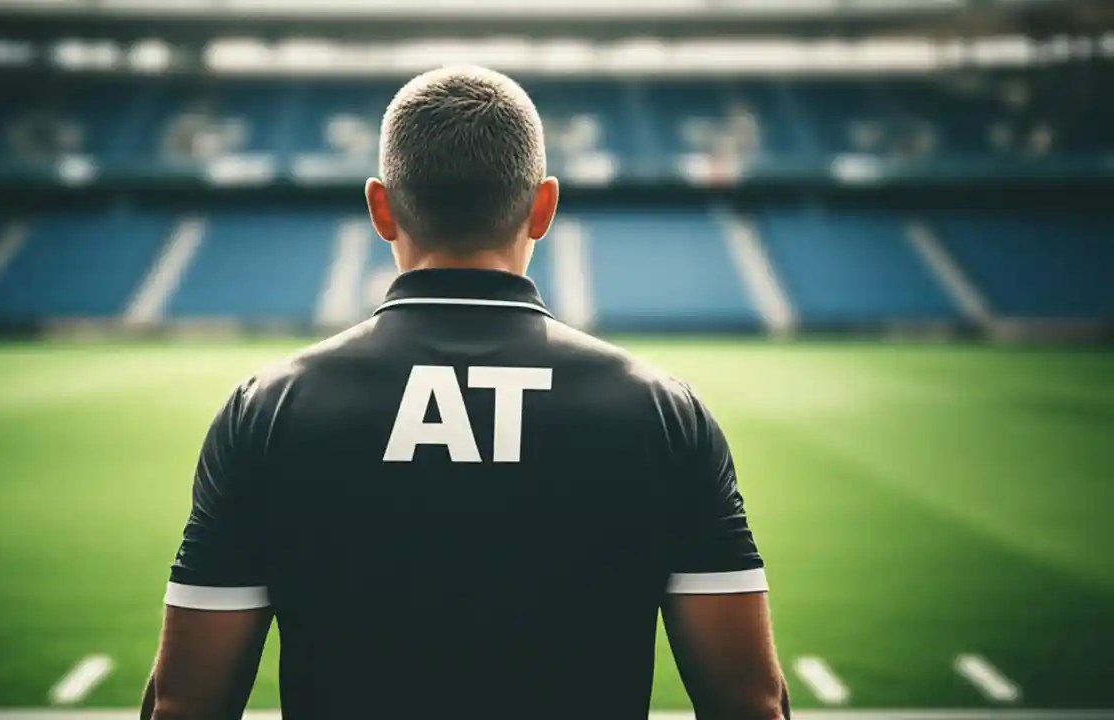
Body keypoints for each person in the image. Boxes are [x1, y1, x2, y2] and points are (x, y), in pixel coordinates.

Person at [141, 66, 788, 720]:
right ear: (544, 207)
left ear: (379, 207)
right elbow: (750, 707)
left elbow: (186, 706)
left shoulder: (268, 409)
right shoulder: (663, 411)